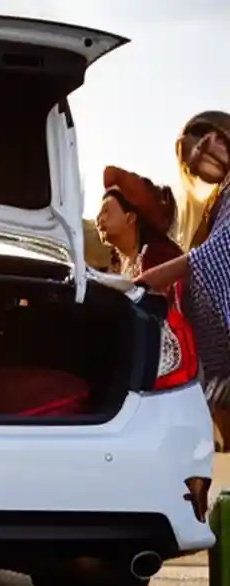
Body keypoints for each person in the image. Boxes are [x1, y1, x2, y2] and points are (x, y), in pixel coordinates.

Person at [135, 111, 230, 432]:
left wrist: (154, 278)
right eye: (192, 166)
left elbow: (219, 252)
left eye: (203, 147)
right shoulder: (220, 201)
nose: (201, 164)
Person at [95, 166, 181, 281]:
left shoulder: (160, 259)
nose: (99, 218)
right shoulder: (117, 266)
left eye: (106, 211)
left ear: (130, 218)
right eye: (99, 213)